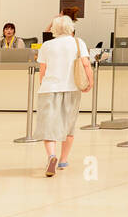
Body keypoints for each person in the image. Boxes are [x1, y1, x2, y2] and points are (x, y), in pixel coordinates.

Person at [35, 14, 92, 176]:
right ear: (70, 27)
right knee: (68, 125)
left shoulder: (46, 46)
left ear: (54, 28)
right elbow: (86, 65)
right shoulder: (78, 42)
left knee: (49, 126)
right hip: (72, 89)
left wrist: (43, 85)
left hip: (49, 89)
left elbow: (43, 70)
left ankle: (51, 156)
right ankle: (63, 160)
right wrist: (90, 82)